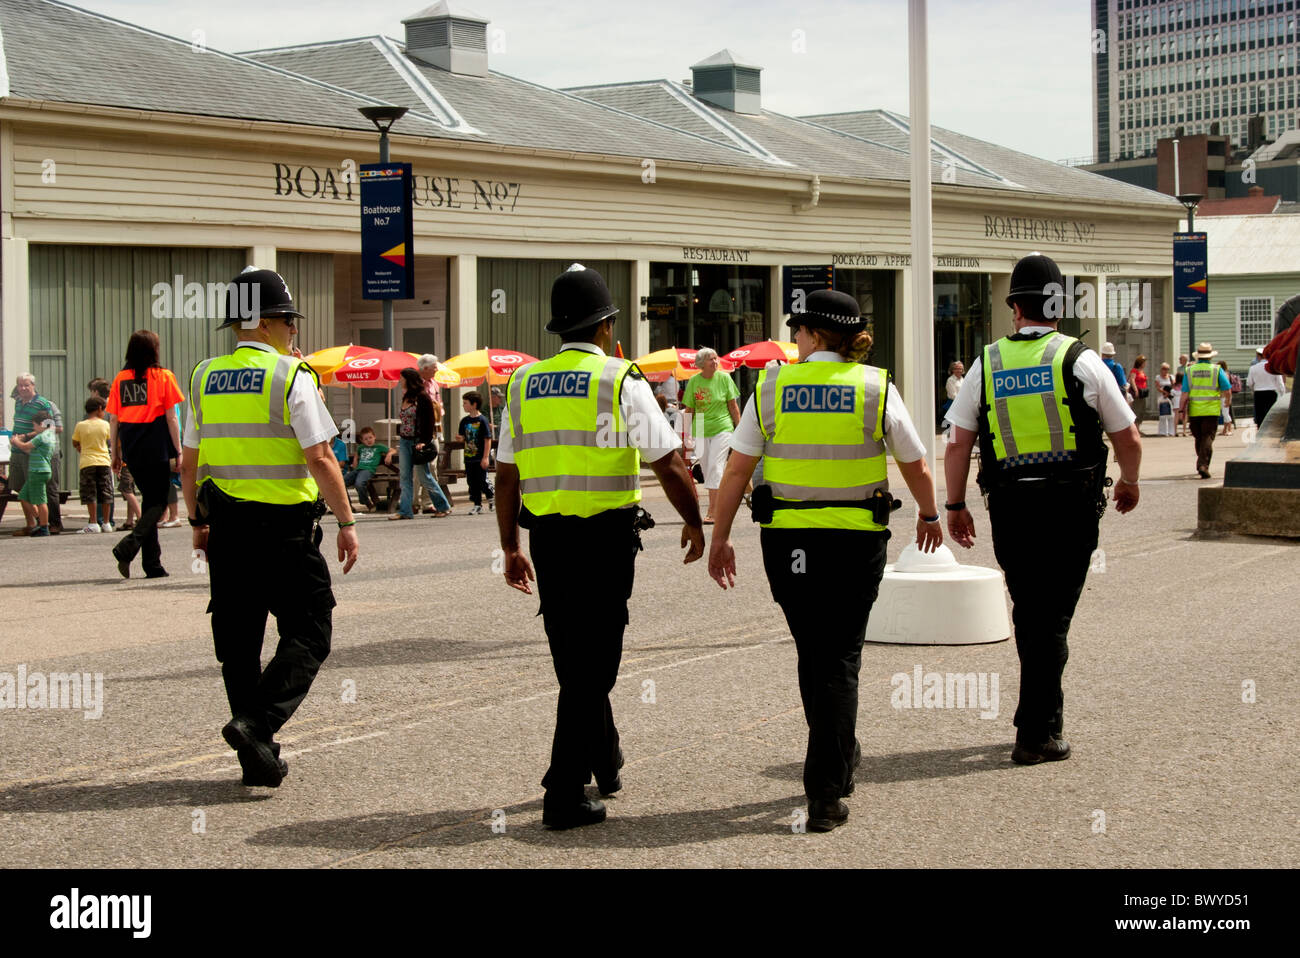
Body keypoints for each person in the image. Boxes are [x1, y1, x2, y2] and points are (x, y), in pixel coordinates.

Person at [707, 289, 943, 833]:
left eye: (798, 331)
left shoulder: (772, 386)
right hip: (857, 542)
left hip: (787, 543)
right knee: (839, 658)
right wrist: (930, 515)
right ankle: (828, 788)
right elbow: (915, 463)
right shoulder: (874, 386)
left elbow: (738, 469)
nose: (794, 340)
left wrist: (720, 538)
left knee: (814, 652)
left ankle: (837, 757)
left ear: (813, 335)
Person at [495, 263, 705, 830]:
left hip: (549, 541)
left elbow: (505, 476)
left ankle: (604, 760)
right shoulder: (619, 379)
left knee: (575, 660)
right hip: (605, 541)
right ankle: (562, 792)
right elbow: (669, 462)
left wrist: (510, 545)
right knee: (595, 667)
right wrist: (695, 522)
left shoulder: (522, 383)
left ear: (558, 330)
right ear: (608, 326)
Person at [945, 253, 1142, 766]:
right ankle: (1036, 733)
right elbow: (1128, 435)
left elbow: (957, 445)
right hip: (1070, 508)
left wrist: (955, 505)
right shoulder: (1081, 359)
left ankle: (1035, 719)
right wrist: (1130, 481)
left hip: (1010, 507)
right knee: (1050, 617)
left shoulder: (986, 363)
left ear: (1015, 309)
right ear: (1058, 306)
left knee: (1032, 611)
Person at [181, 266, 359, 788]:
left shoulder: (202, 376)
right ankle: (258, 725)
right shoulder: (290, 376)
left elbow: (188, 463)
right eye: (287, 320)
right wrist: (348, 521)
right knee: (310, 629)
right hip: (286, 532)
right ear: (262, 322)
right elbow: (322, 456)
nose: (293, 331)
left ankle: (255, 757)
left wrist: (196, 520)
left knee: (237, 643)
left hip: (228, 529)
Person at [106, 331, 184, 578]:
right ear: (153, 351)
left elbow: (114, 420)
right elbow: (172, 417)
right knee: (159, 502)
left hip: (132, 443)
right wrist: (179, 449)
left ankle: (152, 564)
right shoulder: (162, 376)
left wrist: (115, 452)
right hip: (156, 441)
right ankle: (128, 545)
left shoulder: (120, 379)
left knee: (150, 501)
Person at [682, 346, 740, 523]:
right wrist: (685, 436)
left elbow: (733, 406)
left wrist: (740, 430)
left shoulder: (724, 378)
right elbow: (689, 409)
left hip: (722, 427)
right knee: (708, 471)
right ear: (702, 364)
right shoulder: (693, 381)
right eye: (711, 359)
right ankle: (722, 506)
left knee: (715, 467)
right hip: (700, 428)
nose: (715, 362)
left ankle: (713, 511)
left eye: (716, 358)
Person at [390, 367, 451, 519]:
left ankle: (443, 506)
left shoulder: (422, 397)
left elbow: (429, 421)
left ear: (409, 380)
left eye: (402, 378)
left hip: (418, 441)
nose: (400, 381)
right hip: (405, 440)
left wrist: (424, 441)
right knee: (404, 477)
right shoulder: (405, 397)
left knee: (424, 477)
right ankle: (405, 511)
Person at [9, 374, 63, 536]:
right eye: (20, 385)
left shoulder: (43, 403)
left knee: (46, 489)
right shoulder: (18, 402)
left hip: (33, 452)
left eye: (26, 385)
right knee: (18, 487)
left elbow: (51, 427)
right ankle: (32, 523)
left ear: (33, 385)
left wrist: (25, 437)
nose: (23, 388)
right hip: (17, 451)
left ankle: (50, 523)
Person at [1179, 343, 1232, 479]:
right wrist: (1228, 400)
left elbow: (1184, 393)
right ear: (1210, 357)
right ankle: (1203, 464)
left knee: (1199, 438)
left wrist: (1181, 410)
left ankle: (1202, 462)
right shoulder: (1216, 369)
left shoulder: (1189, 370)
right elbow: (1227, 388)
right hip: (1211, 410)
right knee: (1207, 437)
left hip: (1195, 411)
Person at [10, 415, 57, 537]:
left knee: (41, 500)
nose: (34, 428)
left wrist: (16, 441)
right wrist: (19, 444)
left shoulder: (42, 436)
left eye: (34, 425)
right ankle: (40, 521)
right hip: (38, 470)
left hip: (38, 471)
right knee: (23, 496)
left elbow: (25, 446)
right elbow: (30, 451)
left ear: (41, 424)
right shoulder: (50, 436)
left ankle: (44, 527)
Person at [72, 396, 113, 533]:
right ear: (100, 409)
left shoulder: (80, 425)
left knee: (90, 493)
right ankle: (107, 523)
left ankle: (93, 522)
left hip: (87, 462)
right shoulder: (105, 425)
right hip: (104, 461)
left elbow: (75, 442)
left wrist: (82, 449)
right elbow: (111, 440)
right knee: (105, 491)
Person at [88, 378, 125, 531]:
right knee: (107, 487)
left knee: (98, 488)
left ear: (96, 392)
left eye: (91, 391)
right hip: (111, 451)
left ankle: (100, 519)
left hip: (103, 453)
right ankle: (108, 520)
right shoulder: (114, 405)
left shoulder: (101, 409)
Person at [414, 355, 445, 514]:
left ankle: (427, 502)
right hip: (421, 431)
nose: (437, 370)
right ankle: (414, 502)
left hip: (434, 430)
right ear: (425, 368)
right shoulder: (416, 385)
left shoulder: (434, 384)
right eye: (434, 367)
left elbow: (439, 406)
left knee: (432, 467)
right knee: (419, 469)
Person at [458, 390, 494, 514]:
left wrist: (485, 457)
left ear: (474, 405)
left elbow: (487, 439)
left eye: (465, 403)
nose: (463, 405)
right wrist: (460, 438)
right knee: (472, 482)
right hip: (469, 457)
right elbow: (463, 437)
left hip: (480, 456)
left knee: (482, 480)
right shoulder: (464, 421)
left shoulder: (482, 420)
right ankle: (477, 504)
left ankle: (491, 497)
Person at [343, 426, 388, 512]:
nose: (369, 440)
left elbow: (392, 450)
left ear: (374, 437)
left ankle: (366, 502)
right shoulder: (360, 447)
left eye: (370, 437)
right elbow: (356, 454)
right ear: (362, 441)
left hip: (368, 469)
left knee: (359, 484)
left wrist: (389, 455)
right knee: (341, 483)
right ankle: (348, 506)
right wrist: (355, 459)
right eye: (366, 439)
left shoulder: (379, 447)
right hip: (358, 469)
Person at [1246, 346, 1287, 427]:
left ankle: (1260, 428)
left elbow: (1249, 383)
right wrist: (1282, 394)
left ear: (1258, 356)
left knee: (1260, 413)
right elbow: (1280, 382)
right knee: (1270, 412)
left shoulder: (1253, 368)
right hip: (1271, 393)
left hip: (1259, 393)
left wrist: (1253, 390)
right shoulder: (1273, 367)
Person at [1154, 362, 1176, 437]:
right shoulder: (1158, 377)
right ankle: (1162, 432)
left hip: (1169, 397)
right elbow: (1157, 387)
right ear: (1161, 369)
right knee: (1163, 415)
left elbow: (1174, 386)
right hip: (1161, 397)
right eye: (1164, 369)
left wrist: (1168, 393)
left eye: (1167, 369)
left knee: (1171, 415)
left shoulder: (1171, 377)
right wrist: (1164, 392)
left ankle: (1171, 431)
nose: (1165, 370)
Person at [1129, 354, 1149, 427]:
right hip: (1137, 393)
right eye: (1143, 362)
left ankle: (1138, 428)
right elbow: (1132, 380)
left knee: (1142, 411)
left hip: (1143, 393)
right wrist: (1136, 390)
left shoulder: (1142, 371)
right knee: (1136, 410)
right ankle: (1134, 428)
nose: (1145, 364)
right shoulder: (1134, 370)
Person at [1172, 353, 1189, 436]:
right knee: (1183, 413)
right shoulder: (1179, 368)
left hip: (1182, 391)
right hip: (1182, 391)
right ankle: (1183, 431)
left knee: (1181, 413)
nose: (1179, 360)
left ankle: (1183, 431)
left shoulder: (1188, 368)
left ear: (1185, 360)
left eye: (1180, 359)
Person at [1219, 360, 1236, 436]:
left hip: (1224, 395)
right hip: (1223, 395)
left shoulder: (1224, 374)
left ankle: (1229, 429)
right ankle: (1224, 430)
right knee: (1224, 412)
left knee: (1225, 412)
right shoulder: (1225, 373)